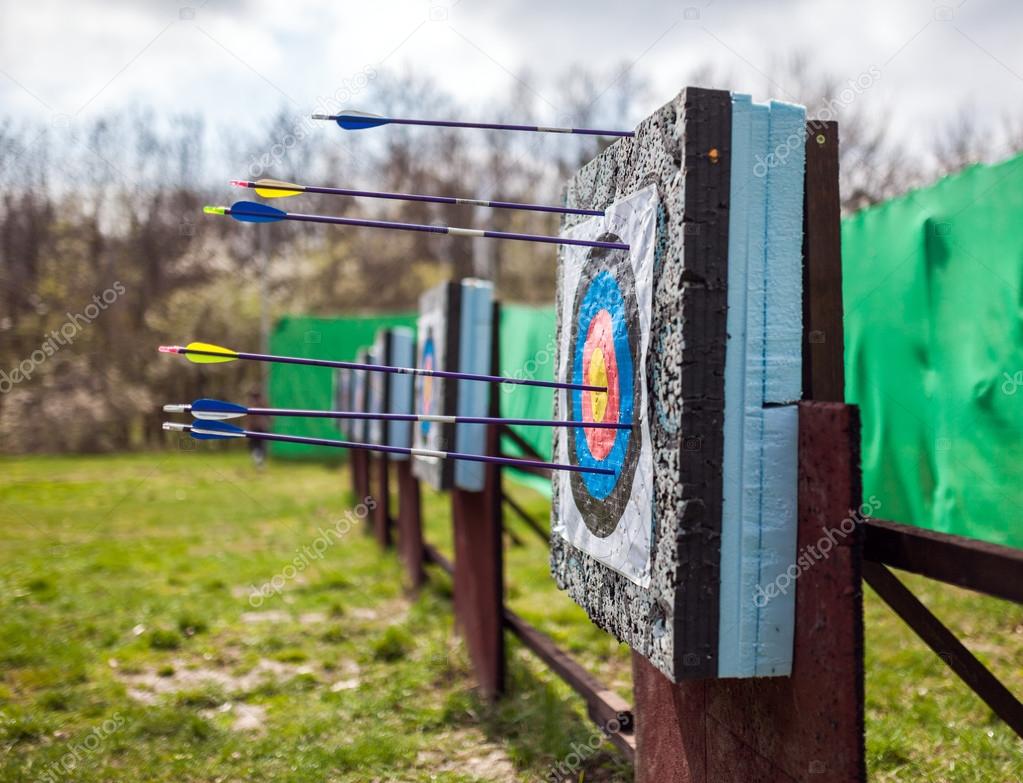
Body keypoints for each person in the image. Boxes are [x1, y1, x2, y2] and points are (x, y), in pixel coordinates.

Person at [247, 388, 269, 468]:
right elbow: (269, 415)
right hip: (262, 427)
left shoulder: (251, 405)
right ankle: (260, 461)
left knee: (255, 445)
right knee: (260, 445)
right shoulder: (263, 403)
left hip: (255, 428)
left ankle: (259, 460)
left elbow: (249, 419)